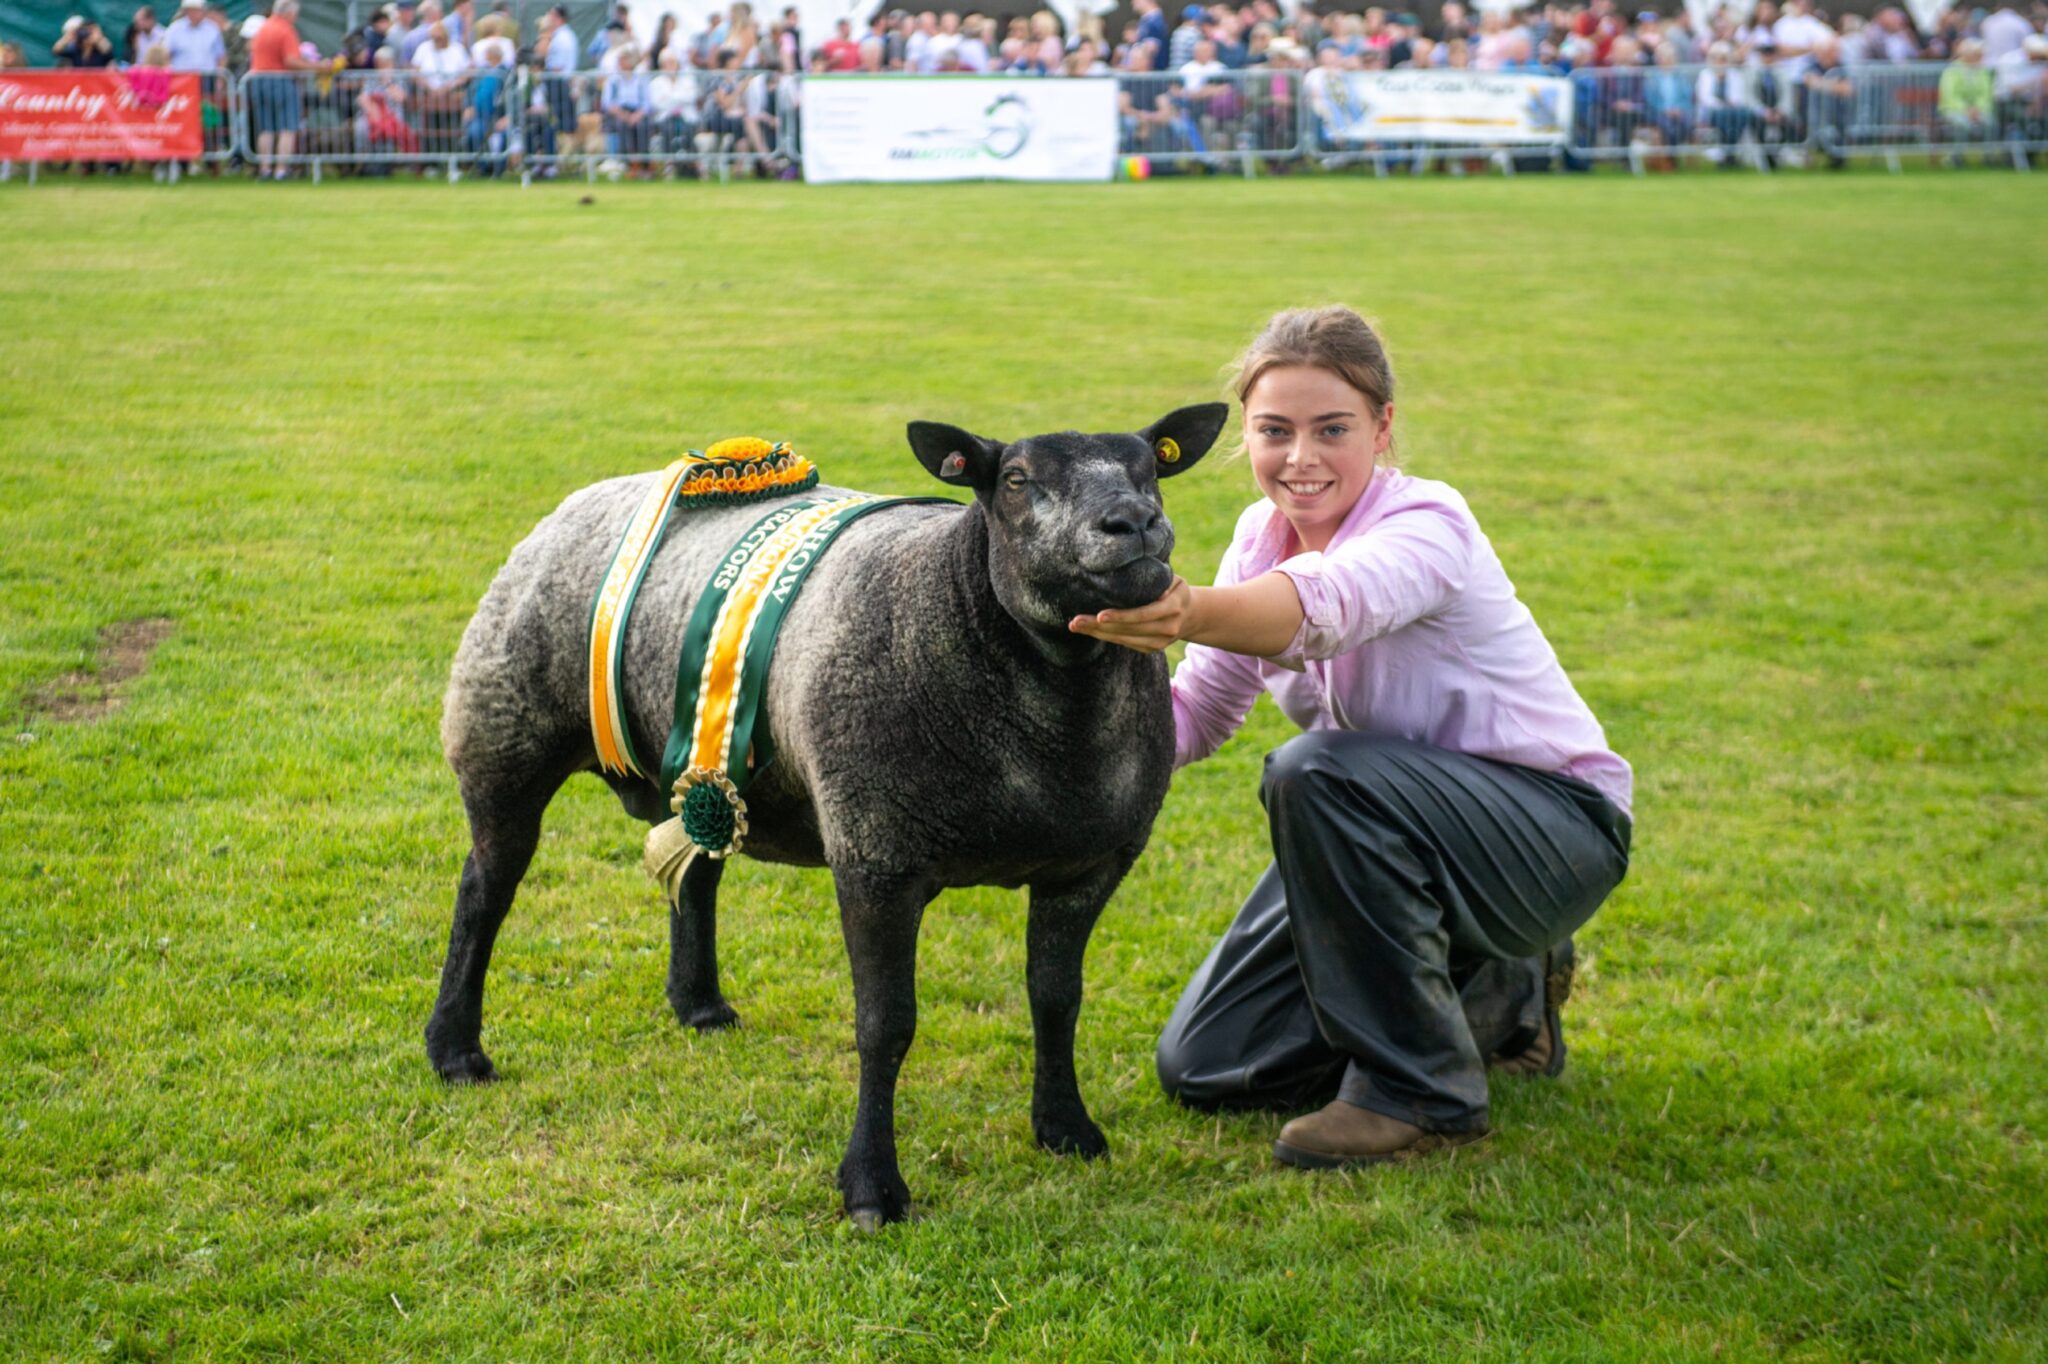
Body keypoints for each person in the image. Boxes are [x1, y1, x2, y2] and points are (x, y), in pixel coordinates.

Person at [1072, 307, 1631, 1168]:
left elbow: (1325, 610)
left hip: (1558, 830)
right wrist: (1061, 722)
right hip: (1394, 833)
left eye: (1332, 429)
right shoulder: (1258, 539)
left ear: (1382, 427)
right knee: (1208, 1064)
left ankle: (1422, 1092)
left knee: (1316, 772)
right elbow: (1196, 714)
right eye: (1275, 431)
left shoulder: (1430, 524)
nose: (1301, 458)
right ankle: (1498, 993)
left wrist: (1185, 610)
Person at [248, 0, 322, 178]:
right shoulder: (285, 29)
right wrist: (318, 68)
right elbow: (291, 61)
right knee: (287, 127)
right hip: (281, 80)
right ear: (288, 13)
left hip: (259, 80)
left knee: (266, 129)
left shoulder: (263, 28)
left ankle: (264, 169)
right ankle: (281, 170)